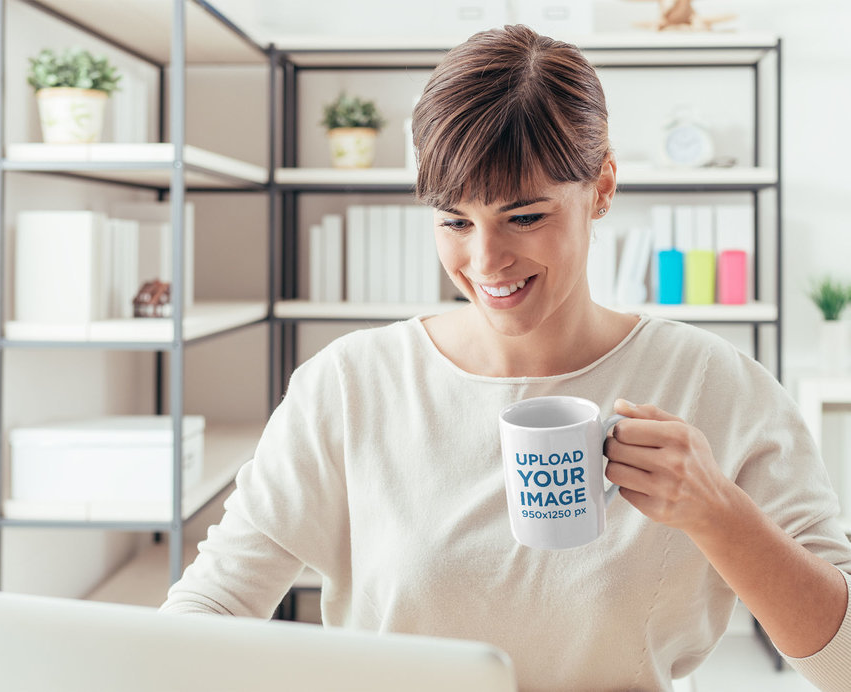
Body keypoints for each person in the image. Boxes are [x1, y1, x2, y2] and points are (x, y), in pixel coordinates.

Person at [161, 24, 851, 691]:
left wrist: (718, 513)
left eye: (524, 217)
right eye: (453, 221)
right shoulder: (350, 384)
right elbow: (212, 607)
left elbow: (843, 664)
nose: (485, 261)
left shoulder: (711, 382)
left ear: (602, 188)